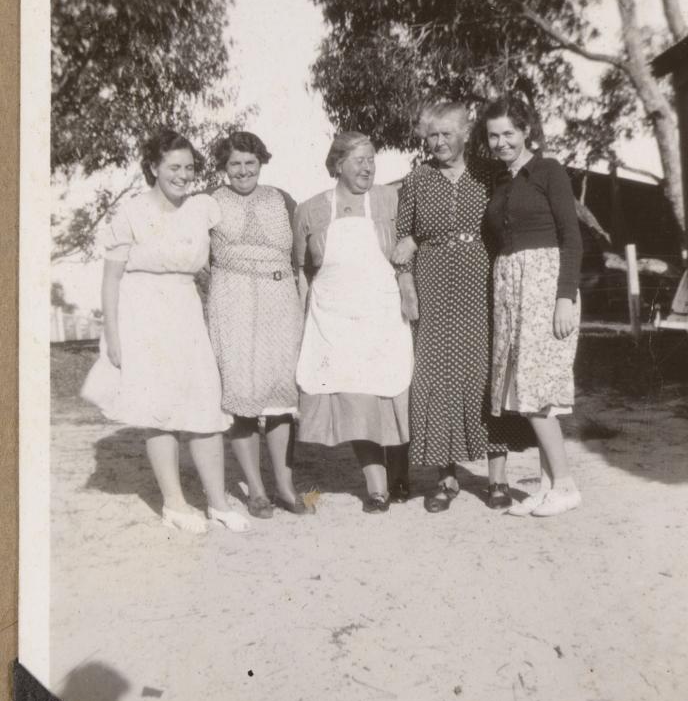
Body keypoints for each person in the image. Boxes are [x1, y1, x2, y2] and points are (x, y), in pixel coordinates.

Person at [81, 128, 250, 535]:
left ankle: (218, 503)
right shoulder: (131, 213)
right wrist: (115, 338)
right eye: (173, 167)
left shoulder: (203, 208)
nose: (183, 176)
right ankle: (174, 503)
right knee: (160, 409)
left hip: (186, 310)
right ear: (153, 168)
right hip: (144, 315)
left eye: (189, 168)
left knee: (205, 405)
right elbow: (111, 280)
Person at [395, 101, 535, 513]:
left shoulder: (490, 173)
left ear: (464, 134)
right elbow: (404, 238)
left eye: (446, 134)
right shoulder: (418, 178)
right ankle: (445, 479)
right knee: (435, 380)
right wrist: (408, 280)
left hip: (483, 283)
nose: (438, 142)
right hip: (433, 285)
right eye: (432, 135)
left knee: (486, 377)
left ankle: (497, 479)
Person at [293, 131, 413, 512]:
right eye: (359, 160)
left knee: (392, 394)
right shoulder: (310, 210)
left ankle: (399, 471)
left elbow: (410, 247)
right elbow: (300, 267)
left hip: (383, 313)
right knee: (355, 399)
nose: (368, 167)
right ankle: (376, 486)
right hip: (337, 319)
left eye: (372, 159)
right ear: (337, 164)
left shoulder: (392, 200)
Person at [483, 95, 583, 516]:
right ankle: (544, 487)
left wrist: (565, 296)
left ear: (526, 132)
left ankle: (565, 485)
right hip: (510, 291)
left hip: (544, 288)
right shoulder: (501, 181)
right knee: (524, 387)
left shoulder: (548, 170)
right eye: (493, 136)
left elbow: (571, 237)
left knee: (537, 390)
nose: (502, 142)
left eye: (509, 133)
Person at [207, 131, 308, 517]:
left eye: (251, 163)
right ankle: (257, 490)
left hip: (280, 302)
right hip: (232, 303)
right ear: (224, 166)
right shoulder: (210, 204)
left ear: (261, 163)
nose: (244, 170)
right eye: (235, 164)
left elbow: (301, 256)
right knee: (243, 394)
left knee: (281, 395)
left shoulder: (282, 200)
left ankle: (285, 486)